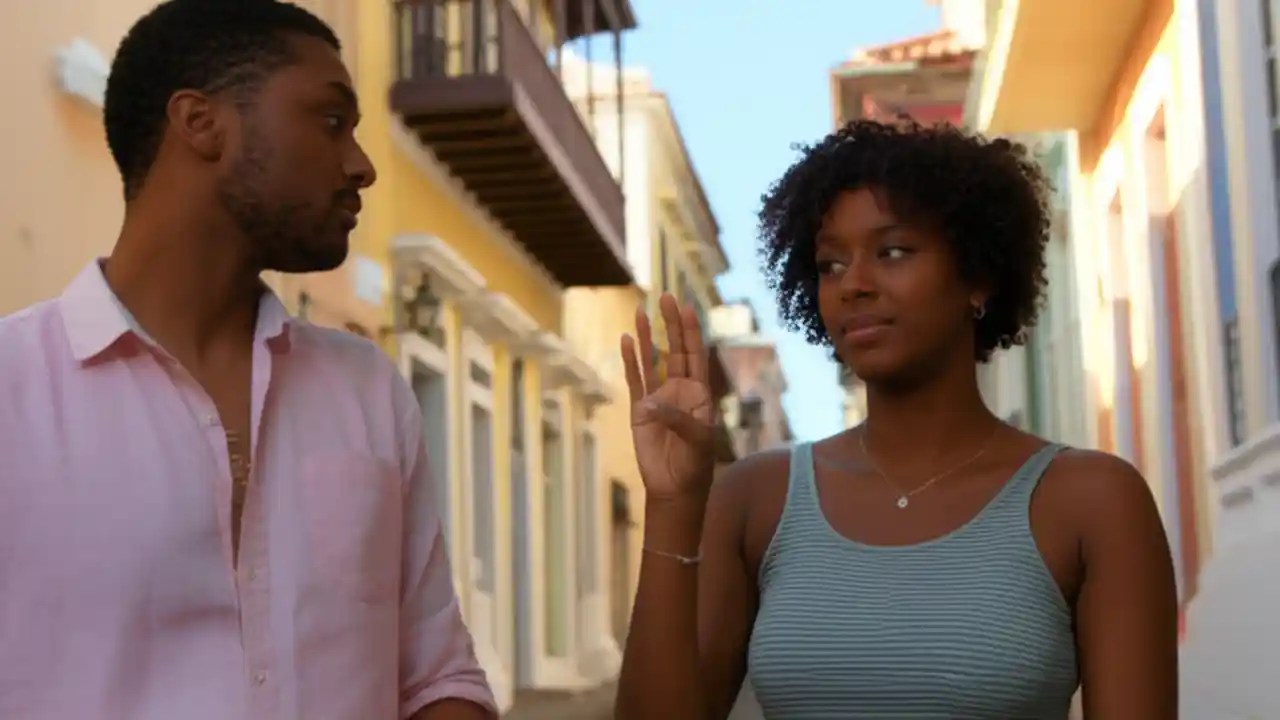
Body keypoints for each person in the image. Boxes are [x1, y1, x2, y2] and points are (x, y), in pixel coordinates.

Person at [0, 1, 494, 718]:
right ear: (201, 124)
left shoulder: (367, 392)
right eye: (331, 121)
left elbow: (437, 679)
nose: (361, 166)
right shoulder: (13, 394)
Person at [616, 119, 1179, 719]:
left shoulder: (1093, 501)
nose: (853, 285)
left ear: (978, 277)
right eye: (830, 264)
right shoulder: (756, 500)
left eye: (893, 252)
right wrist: (674, 509)